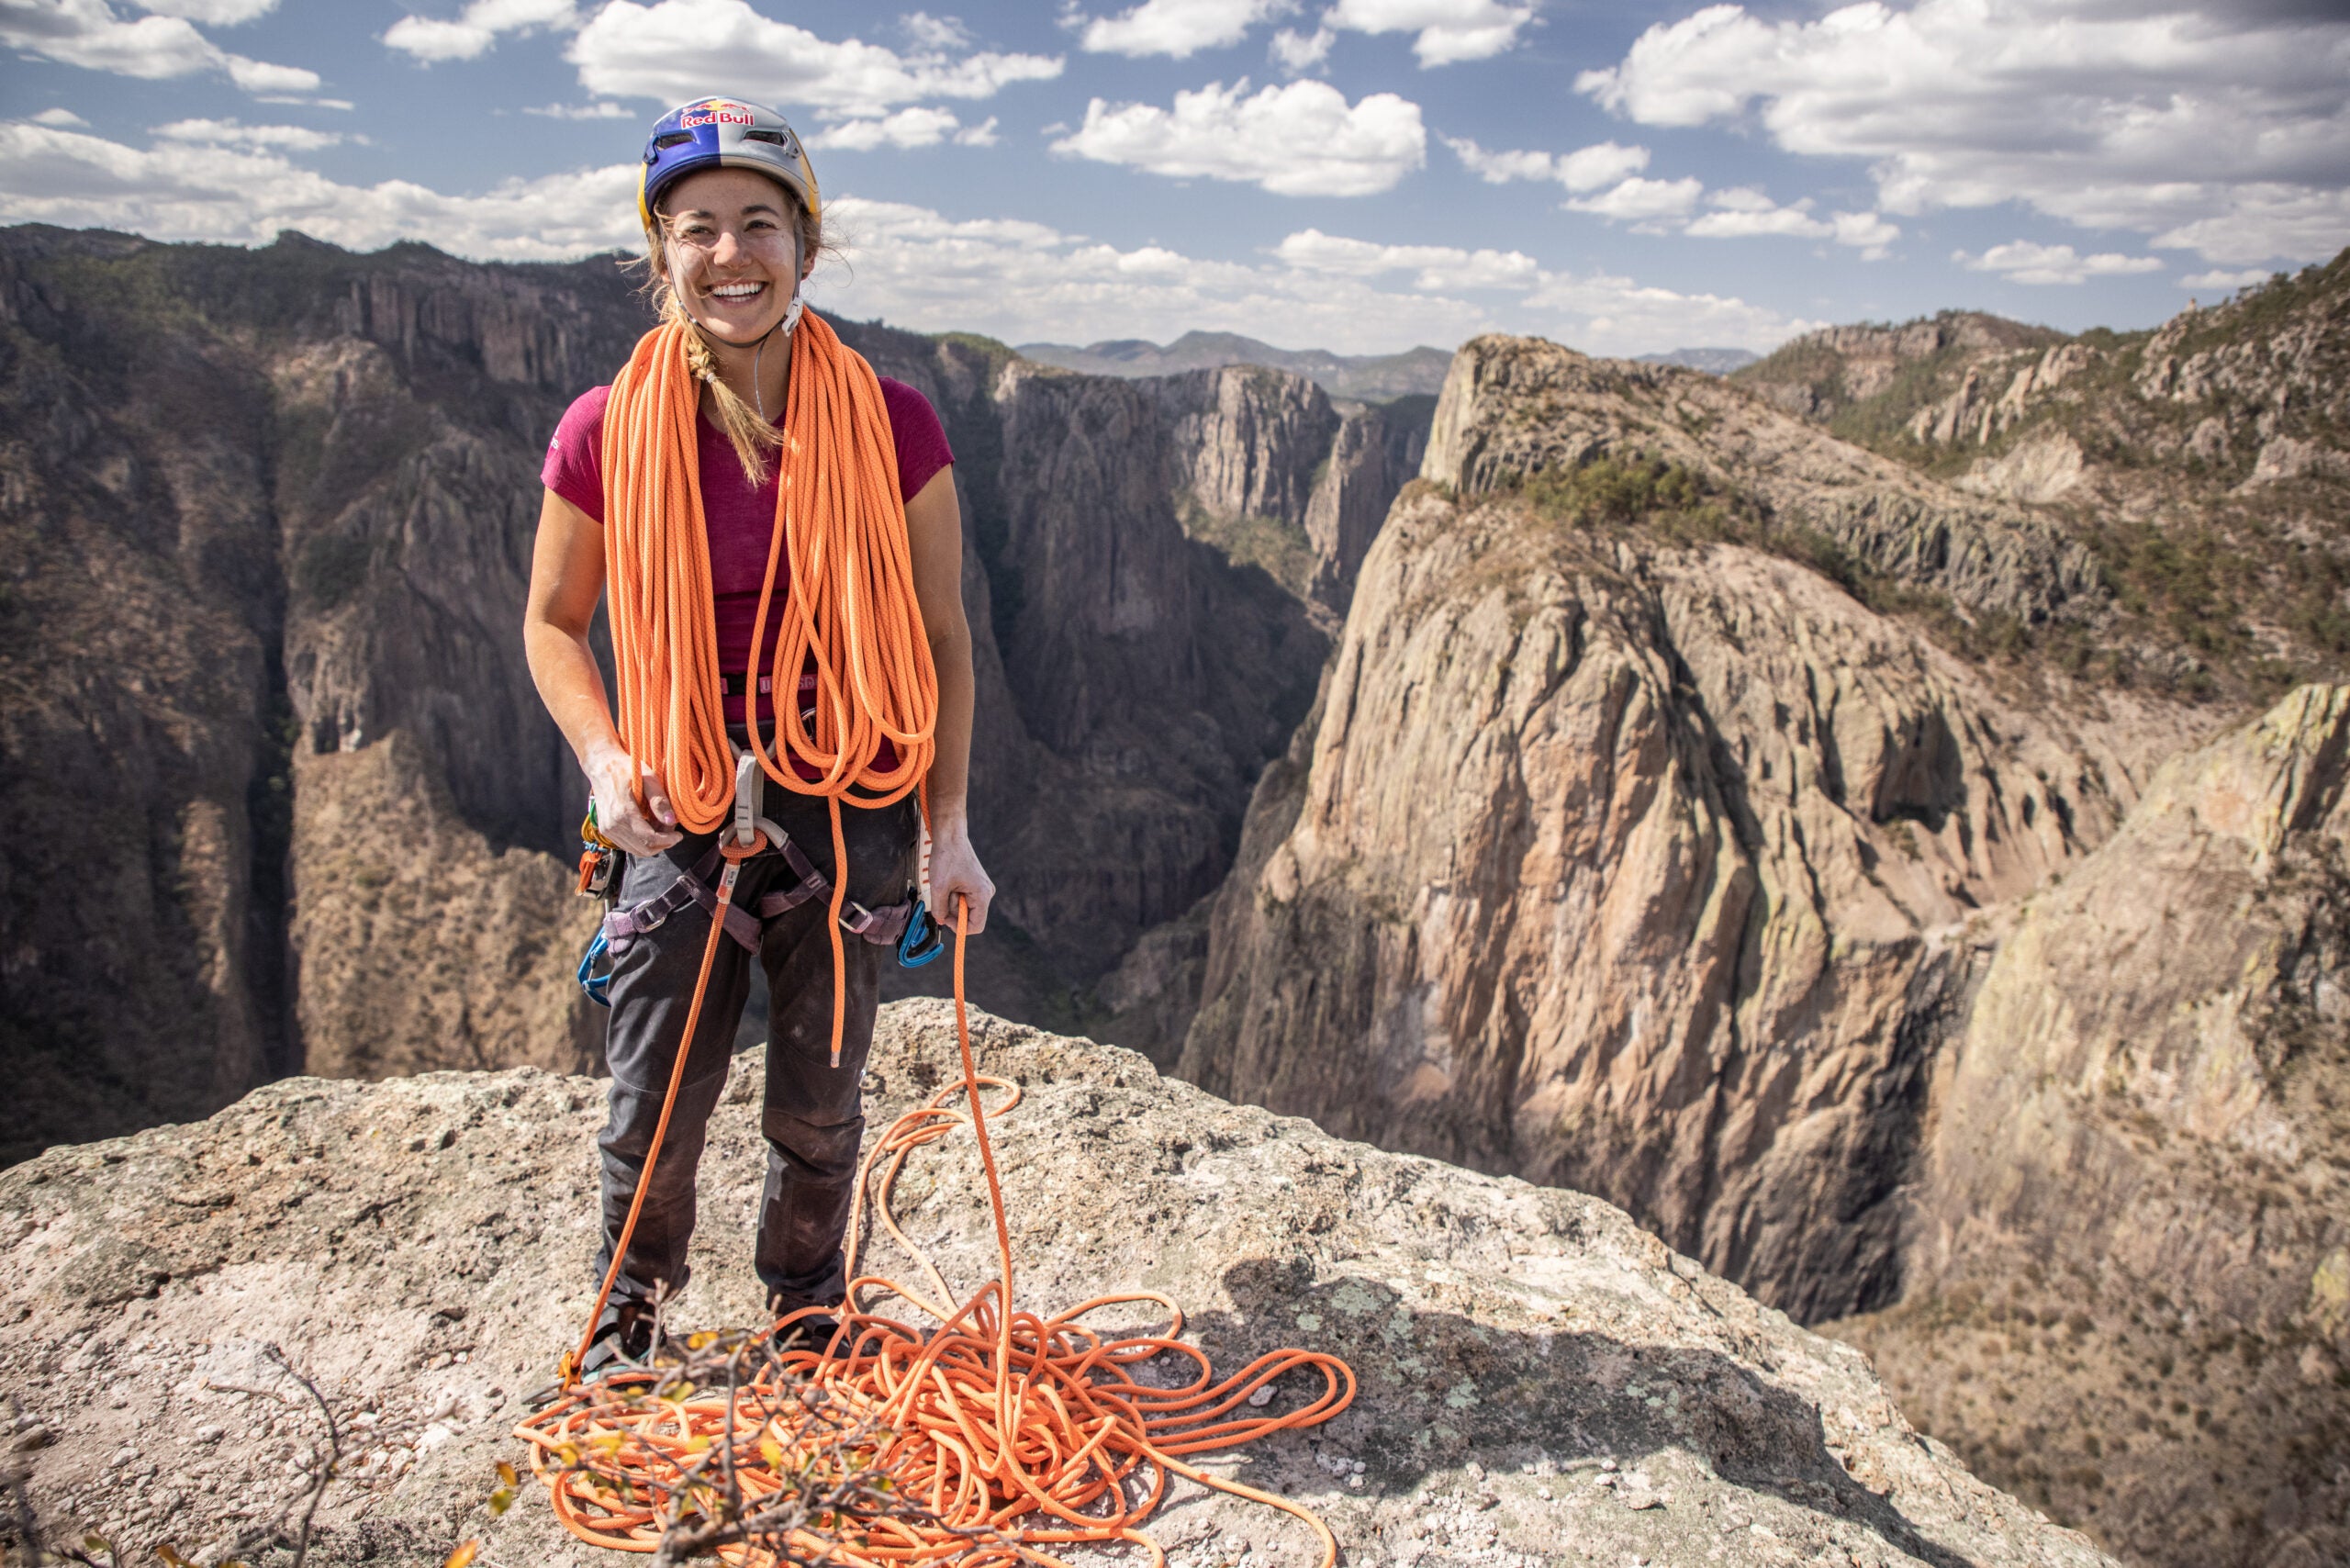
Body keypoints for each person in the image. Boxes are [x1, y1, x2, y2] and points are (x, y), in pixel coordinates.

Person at [522, 95, 994, 1372]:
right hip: (677, 777)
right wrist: (605, 762)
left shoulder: (892, 423)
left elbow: (941, 637)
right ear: (661, 252)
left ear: (806, 246)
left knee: (823, 1088)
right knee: (656, 1086)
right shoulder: (607, 428)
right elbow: (555, 626)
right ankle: (630, 1309)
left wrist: (949, 831)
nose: (731, 255)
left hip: (847, 779)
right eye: (698, 229)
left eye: (759, 225)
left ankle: (807, 1304)